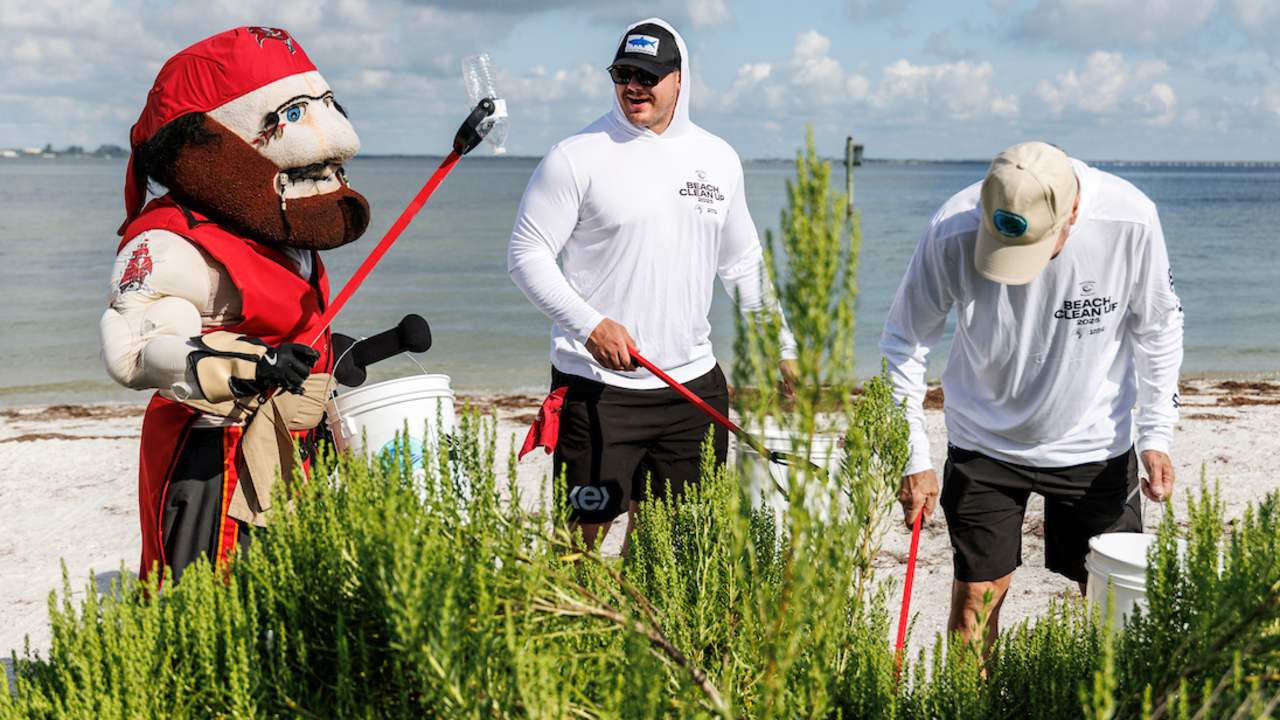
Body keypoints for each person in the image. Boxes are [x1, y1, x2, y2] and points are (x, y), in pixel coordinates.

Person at [879, 141, 1183, 648]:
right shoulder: (952, 228)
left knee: (1114, 609)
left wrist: (1155, 433)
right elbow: (905, 340)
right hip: (985, 439)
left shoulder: (1131, 220)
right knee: (977, 597)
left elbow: (1158, 327)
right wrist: (913, 454)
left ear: (1073, 214)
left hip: (1095, 442)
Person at [508, 18, 796, 548]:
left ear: (679, 80)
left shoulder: (718, 159)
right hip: (597, 391)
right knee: (579, 545)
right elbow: (526, 255)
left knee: (673, 547)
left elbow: (742, 265)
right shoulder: (576, 155)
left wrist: (783, 345)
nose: (634, 86)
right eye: (624, 73)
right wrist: (591, 325)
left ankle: (648, 634)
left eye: (649, 74)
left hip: (691, 390)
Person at [101, 27, 373, 583]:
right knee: (206, 592)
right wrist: (247, 363)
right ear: (205, 143)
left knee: (294, 585)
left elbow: (278, 318)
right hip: (211, 449)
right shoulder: (171, 242)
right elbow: (139, 350)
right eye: (294, 114)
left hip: (292, 440)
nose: (335, 136)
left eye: (328, 108)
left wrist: (332, 353)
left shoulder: (278, 232)